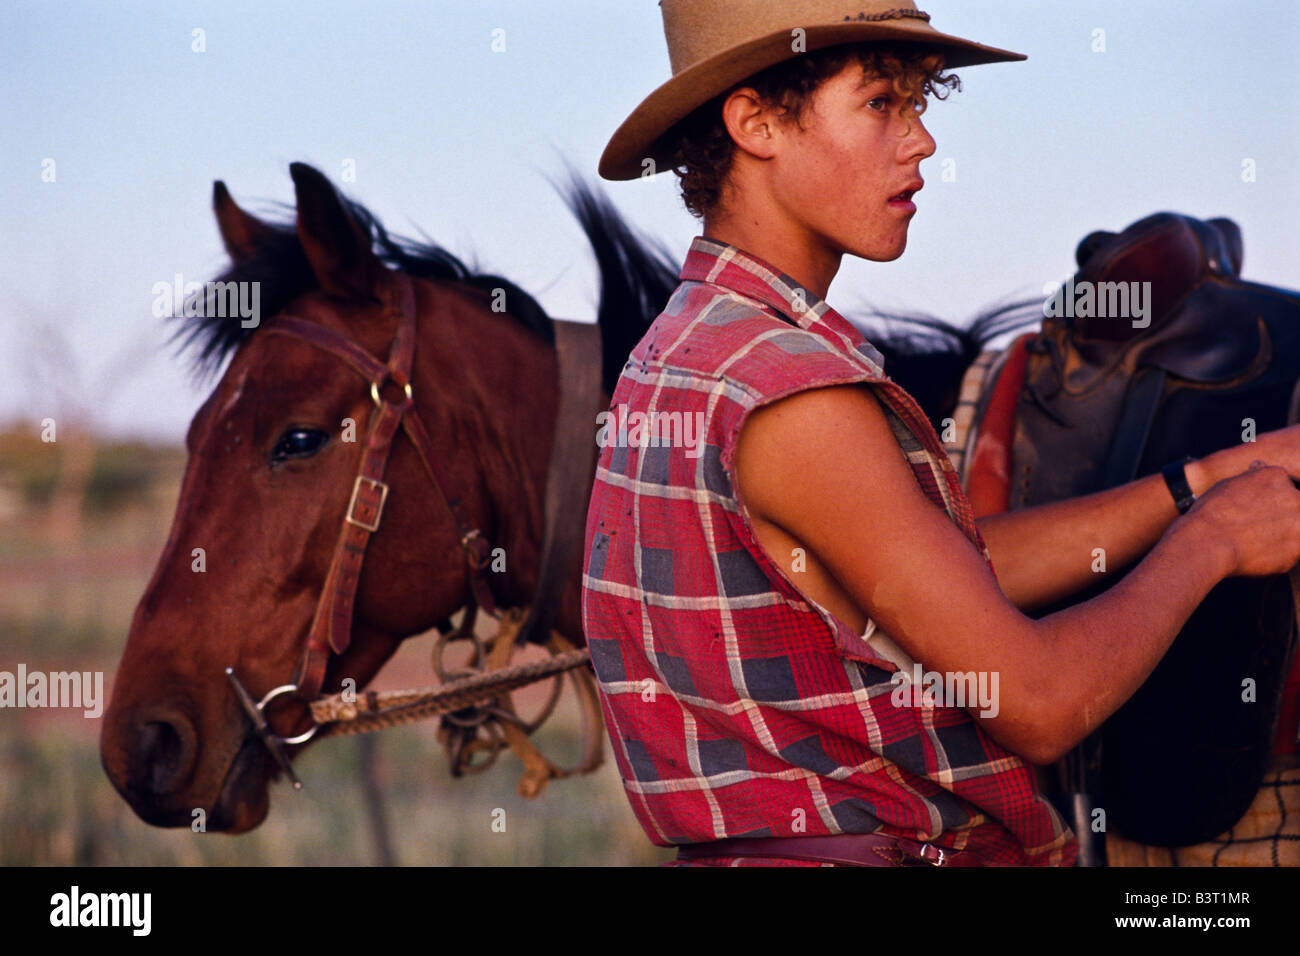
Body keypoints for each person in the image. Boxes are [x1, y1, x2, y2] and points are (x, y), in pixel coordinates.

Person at [581, 0, 1300, 867]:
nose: (921, 142)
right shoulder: (794, 391)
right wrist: (1213, 542)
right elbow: (1038, 703)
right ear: (757, 122)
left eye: (921, 105)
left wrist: (1200, 483)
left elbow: (944, 572)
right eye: (883, 103)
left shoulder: (683, 351)